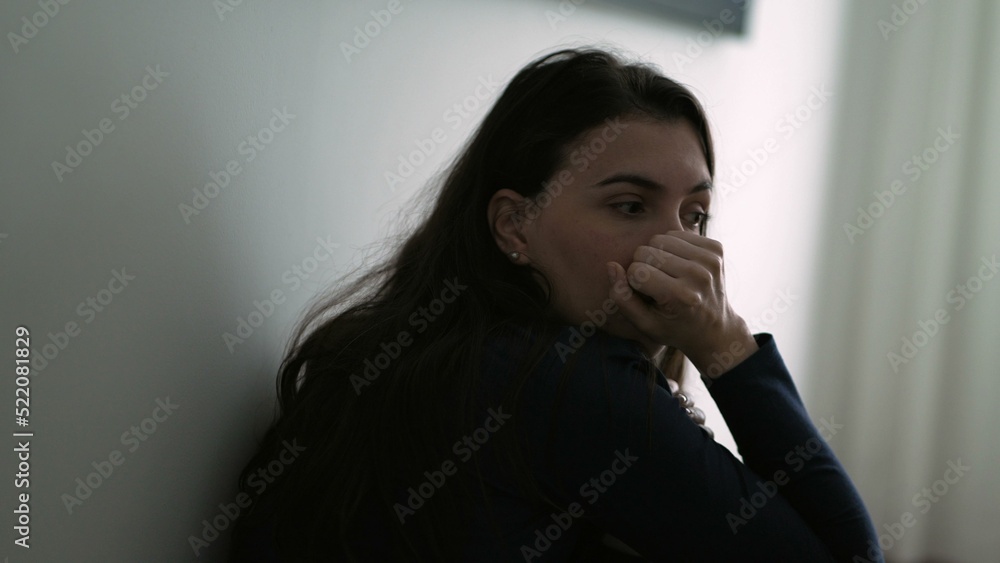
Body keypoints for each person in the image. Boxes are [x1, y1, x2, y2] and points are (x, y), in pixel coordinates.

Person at [228, 47, 881, 562]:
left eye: (696, 214)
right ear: (515, 225)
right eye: (630, 205)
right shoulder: (569, 382)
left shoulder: (418, 340)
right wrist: (727, 345)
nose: (680, 249)